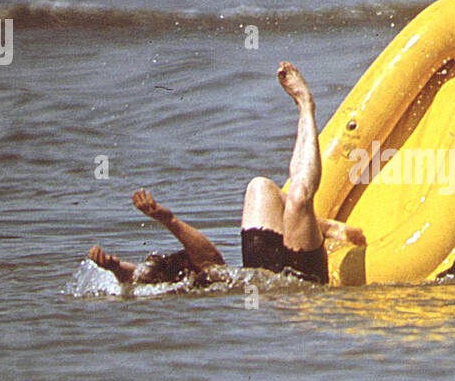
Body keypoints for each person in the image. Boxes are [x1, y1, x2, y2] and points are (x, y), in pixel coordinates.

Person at [87, 61, 365, 287]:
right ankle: (305, 104)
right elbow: (143, 280)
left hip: (265, 274)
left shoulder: (203, 278)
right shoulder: (192, 287)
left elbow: (208, 260)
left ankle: (323, 226)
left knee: (260, 187)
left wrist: (164, 222)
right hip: (303, 285)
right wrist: (116, 265)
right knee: (299, 198)